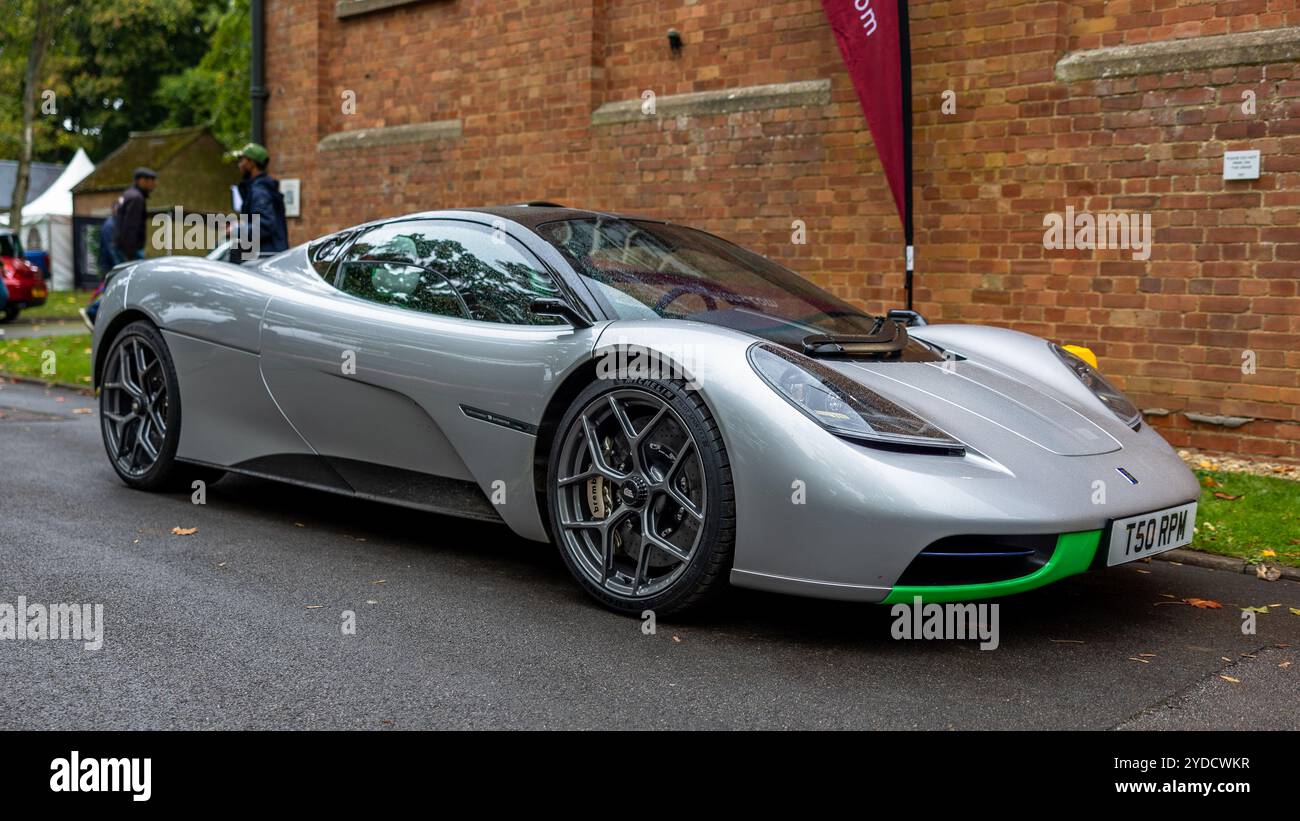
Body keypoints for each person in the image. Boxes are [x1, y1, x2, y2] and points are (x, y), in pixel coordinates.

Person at [233, 142, 287, 262]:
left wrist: (236, 230)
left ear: (251, 163)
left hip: (264, 259)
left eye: (242, 160)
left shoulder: (259, 191)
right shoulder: (260, 188)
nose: (239, 165)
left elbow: (265, 225)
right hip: (266, 256)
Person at [114, 167, 156, 261]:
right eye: (151, 180)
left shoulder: (128, 194)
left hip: (121, 247)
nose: (154, 184)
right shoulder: (136, 198)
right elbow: (131, 227)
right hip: (131, 251)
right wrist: (129, 254)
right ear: (141, 180)